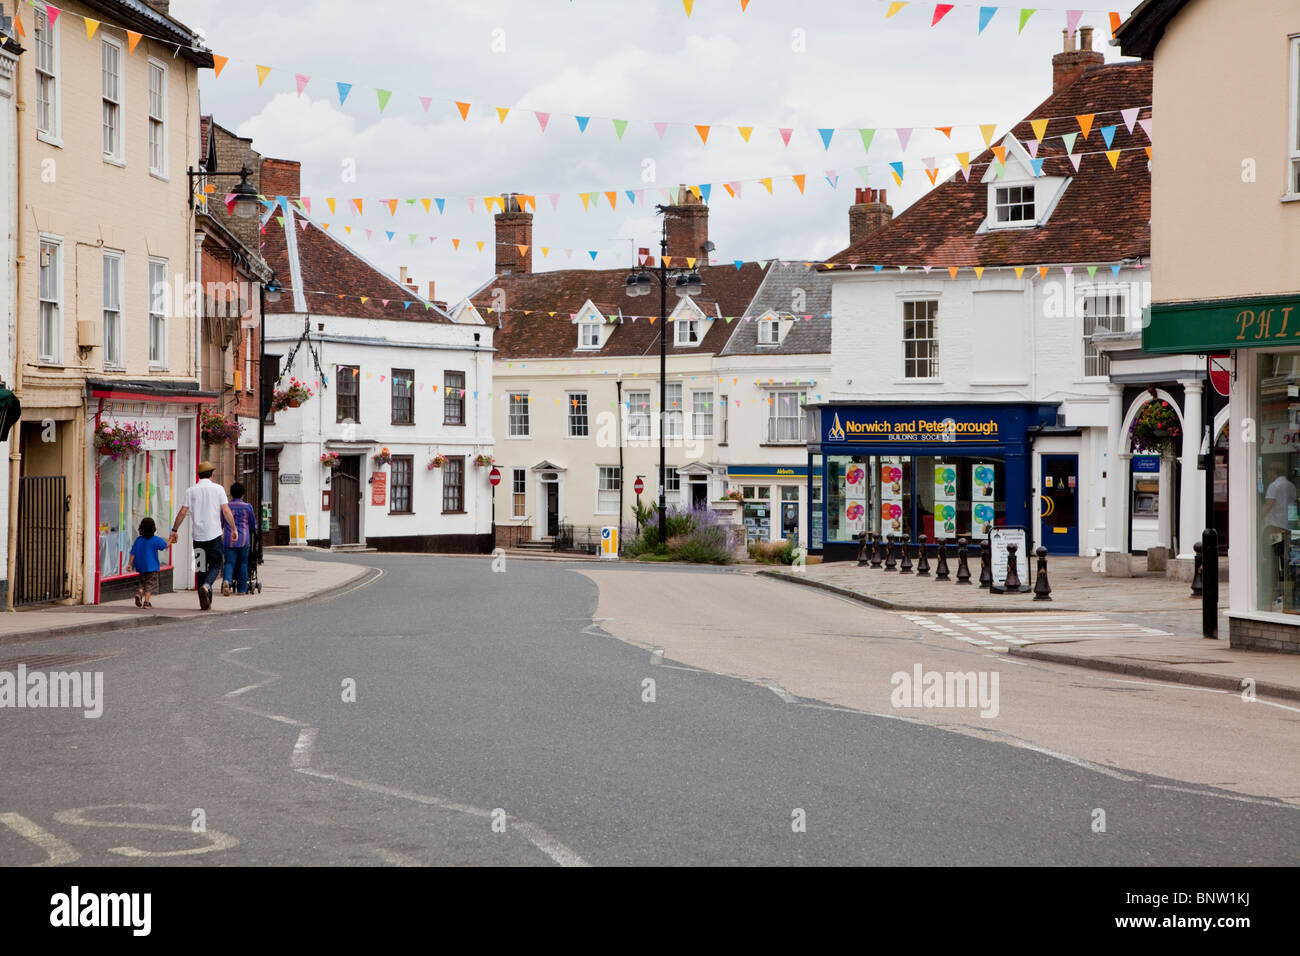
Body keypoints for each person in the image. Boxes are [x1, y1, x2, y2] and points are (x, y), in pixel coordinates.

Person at [170, 461, 239, 610]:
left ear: (198, 475)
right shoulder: (218, 489)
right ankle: (207, 587)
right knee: (215, 564)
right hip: (213, 535)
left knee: (201, 567)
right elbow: (226, 511)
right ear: (212, 474)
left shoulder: (191, 491)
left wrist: (174, 529)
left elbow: (183, 512)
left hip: (198, 537)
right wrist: (234, 529)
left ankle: (205, 601)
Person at [1262, 460, 1297, 610]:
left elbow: (1269, 505)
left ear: (1273, 472)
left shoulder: (1274, 486)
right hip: (1286, 529)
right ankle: (1285, 592)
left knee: (1271, 561)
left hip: (1273, 529)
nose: (1268, 475)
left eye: (1269, 472)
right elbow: (1293, 504)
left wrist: (1257, 517)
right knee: (1285, 560)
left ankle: (1273, 592)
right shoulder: (1291, 486)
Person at [221, 482, 257, 596]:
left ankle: (227, 581)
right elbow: (252, 524)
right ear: (242, 494)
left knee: (229, 563)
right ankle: (241, 590)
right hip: (244, 539)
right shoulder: (248, 507)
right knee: (243, 563)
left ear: (231, 494)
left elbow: (221, 522)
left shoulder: (226, 507)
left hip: (228, 538)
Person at [126, 517, 168, 609]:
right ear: (153, 528)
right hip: (152, 567)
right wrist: (171, 540)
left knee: (142, 582)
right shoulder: (156, 539)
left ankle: (140, 592)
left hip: (140, 566)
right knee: (149, 584)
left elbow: (133, 553)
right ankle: (146, 602)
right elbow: (165, 546)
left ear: (141, 528)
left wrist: (129, 564)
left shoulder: (138, 540)